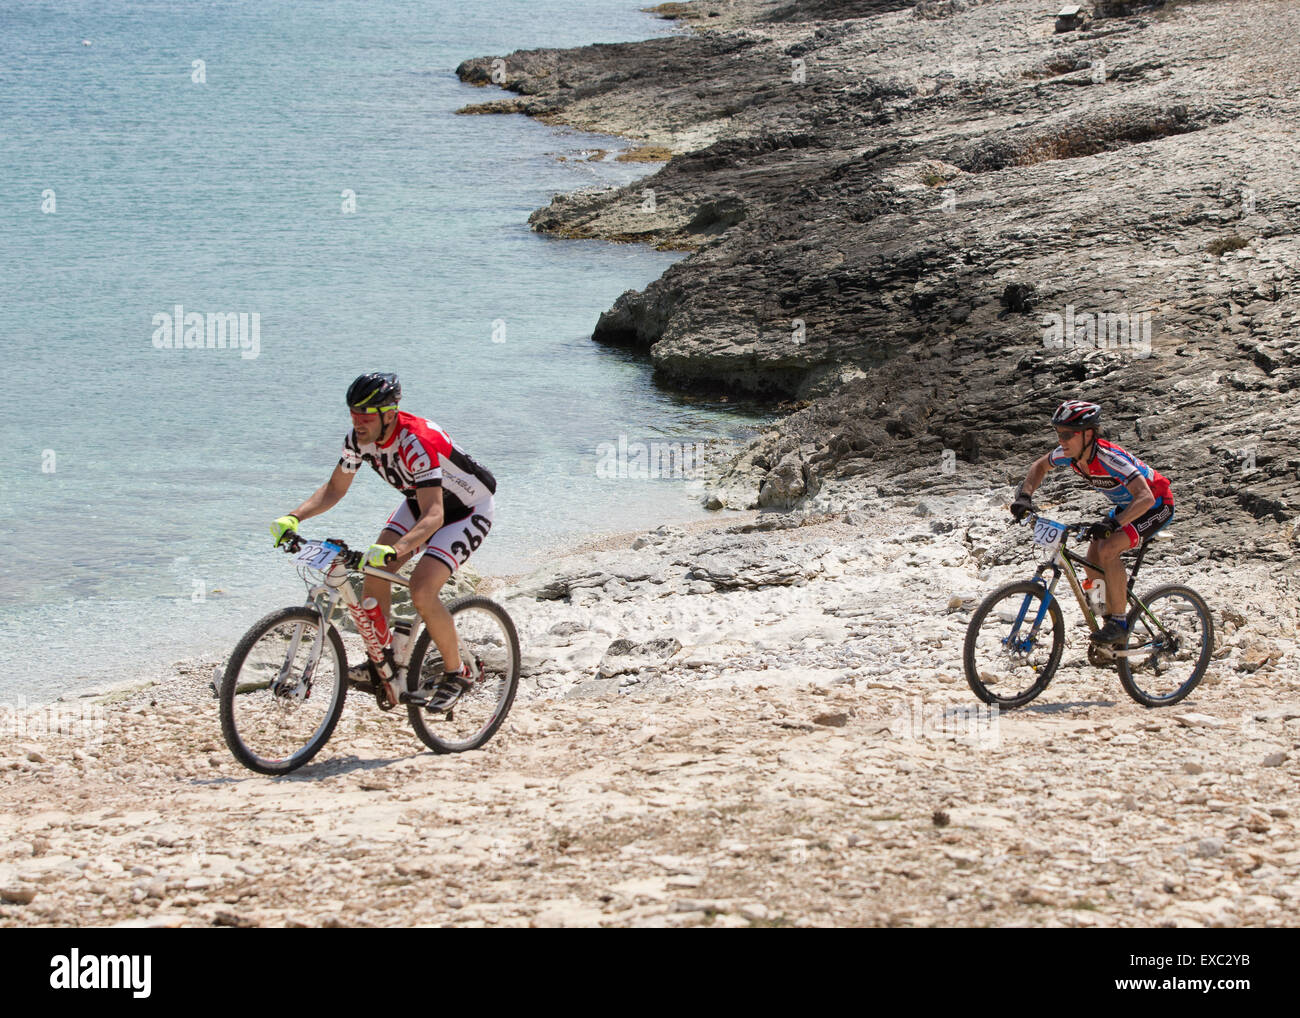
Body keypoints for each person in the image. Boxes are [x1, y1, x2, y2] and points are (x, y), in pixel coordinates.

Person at [269, 373, 497, 709]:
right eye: (353, 415)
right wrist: (293, 517)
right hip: (420, 503)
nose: (357, 423)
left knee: (421, 589)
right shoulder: (358, 440)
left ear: (388, 414)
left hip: (466, 511)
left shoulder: (417, 442)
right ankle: (385, 663)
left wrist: (397, 549)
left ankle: (458, 671)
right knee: (374, 575)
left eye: (364, 416)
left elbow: (434, 515)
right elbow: (334, 489)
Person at [1010, 400, 1174, 645]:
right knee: (1091, 561)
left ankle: (1119, 622)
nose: (1061, 441)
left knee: (1108, 549)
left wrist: (1114, 523)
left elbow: (1145, 497)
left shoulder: (1109, 459)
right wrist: (1025, 496)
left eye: (1067, 434)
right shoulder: (1071, 455)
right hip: (1127, 507)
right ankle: (1106, 619)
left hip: (1156, 505)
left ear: (1088, 434)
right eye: (1058, 433)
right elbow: (1040, 466)